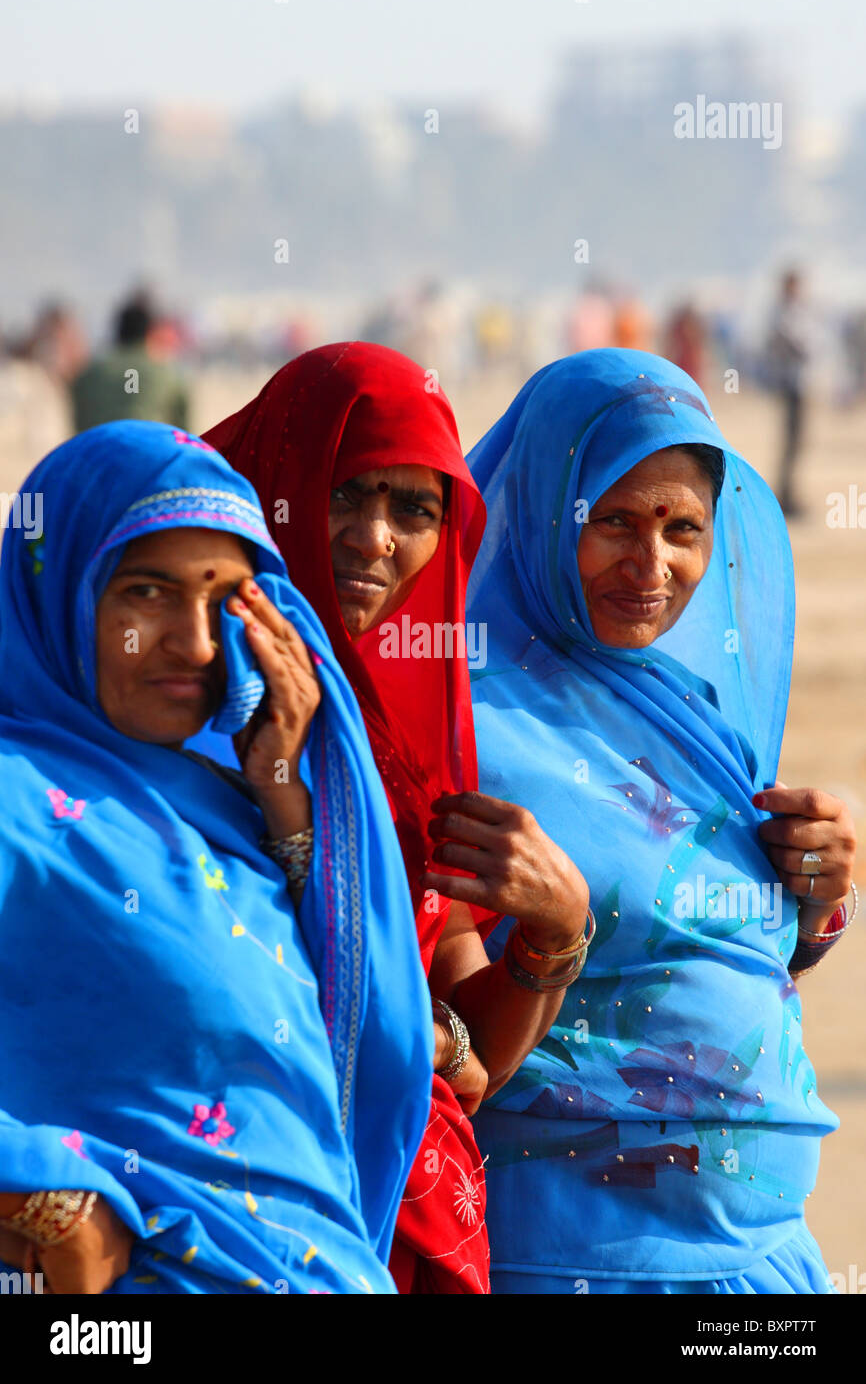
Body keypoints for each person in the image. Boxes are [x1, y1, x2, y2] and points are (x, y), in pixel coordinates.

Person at [0, 420, 432, 1294]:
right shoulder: (15, 797)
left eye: (224, 600)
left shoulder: (230, 806)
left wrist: (285, 793)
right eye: (147, 593)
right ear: (61, 592)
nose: (196, 644)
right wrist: (39, 1195)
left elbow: (350, 1046)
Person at [202, 342, 594, 1293]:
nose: (375, 538)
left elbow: (465, 1053)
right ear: (274, 488)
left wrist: (557, 928)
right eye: (344, 492)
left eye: (415, 509)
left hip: (402, 1230)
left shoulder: (417, 736)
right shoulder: (180, 717)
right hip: (232, 1217)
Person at [465, 348, 857, 1294]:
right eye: (614, 522)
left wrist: (817, 899)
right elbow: (442, 1019)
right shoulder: (465, 732)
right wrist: (548, 941)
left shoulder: (695, 713)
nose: (653, 565)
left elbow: (690, 944)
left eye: (684, 528)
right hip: (578, 1254)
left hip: (761, 1255)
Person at [71, 290, 189, 433]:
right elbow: (185, 434)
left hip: (99, 448)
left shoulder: (89, 372)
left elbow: (79, 422)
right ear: (149, 333)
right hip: (152, 450)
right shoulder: (168, 374)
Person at [765, 270, 811, 516]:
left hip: (799, 383)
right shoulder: (781, 313)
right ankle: (785, 496)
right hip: (790, 383)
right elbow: (797, 344)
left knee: (797, 442)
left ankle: (789, 493)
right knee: (790, 442)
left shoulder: (796, 311)